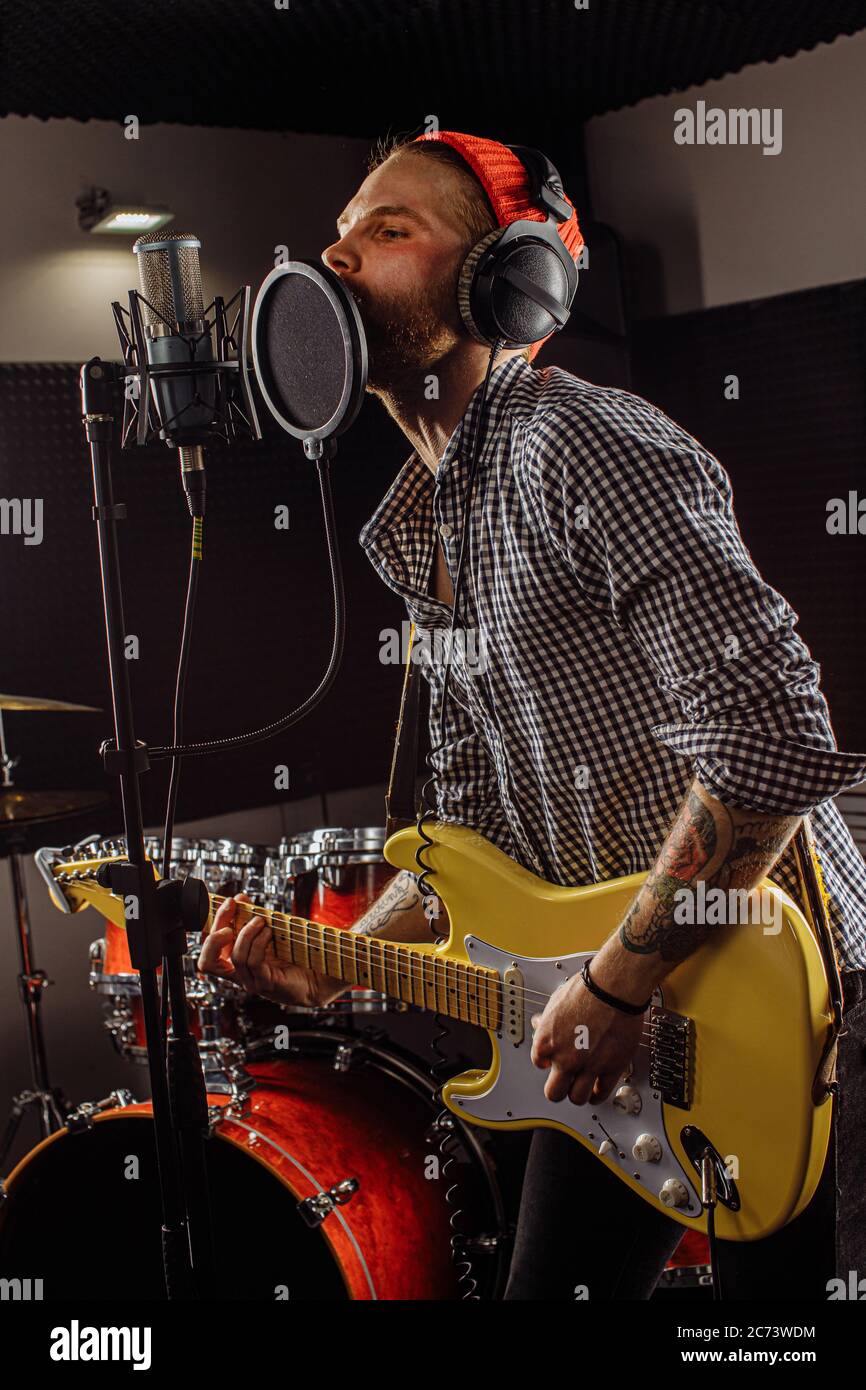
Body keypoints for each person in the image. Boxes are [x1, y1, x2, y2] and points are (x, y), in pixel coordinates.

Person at [199, 130, 866, 1300]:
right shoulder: (421, 521)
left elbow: (772, 736)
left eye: (389, 230)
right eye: (341, 230)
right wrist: (339, 962)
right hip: (618, 1024)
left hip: (790, 1015)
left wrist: (614, 986)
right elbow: (470, 829)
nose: (336, 255)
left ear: (503, 286)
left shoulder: (584, 445)